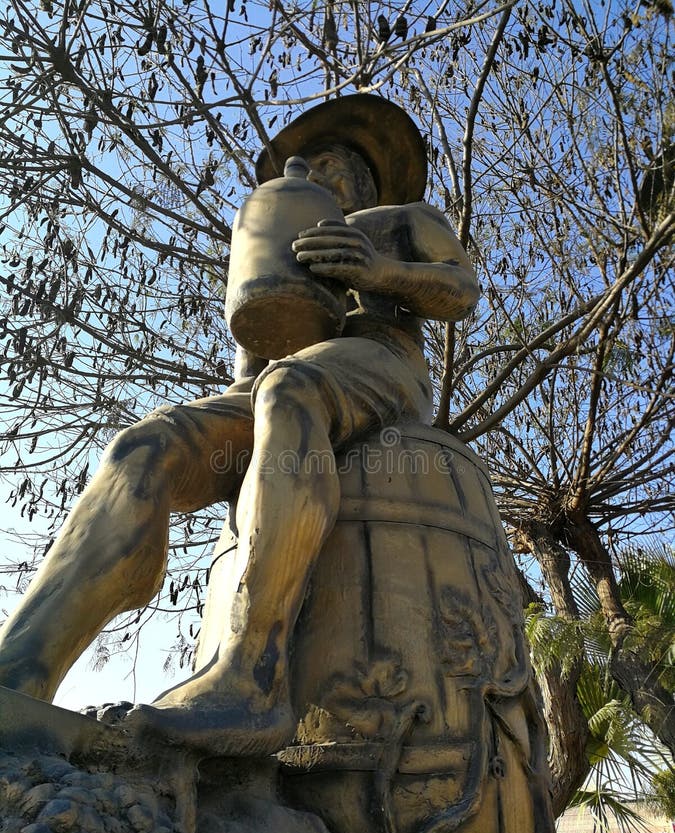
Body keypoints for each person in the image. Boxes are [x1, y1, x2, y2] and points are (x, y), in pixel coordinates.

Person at [0, 94, 479, 755]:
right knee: (146, 444)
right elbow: (252, 367)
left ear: (366, 176)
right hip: (281, 387)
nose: (313, 173)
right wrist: (208, 436)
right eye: (306, 166)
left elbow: (460, 291)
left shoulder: (402, 220)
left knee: (288, 388)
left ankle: (251, 678)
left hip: (380, 364)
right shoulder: (284, 233)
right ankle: (18, 676)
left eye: (331, 164)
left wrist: (378, 271)